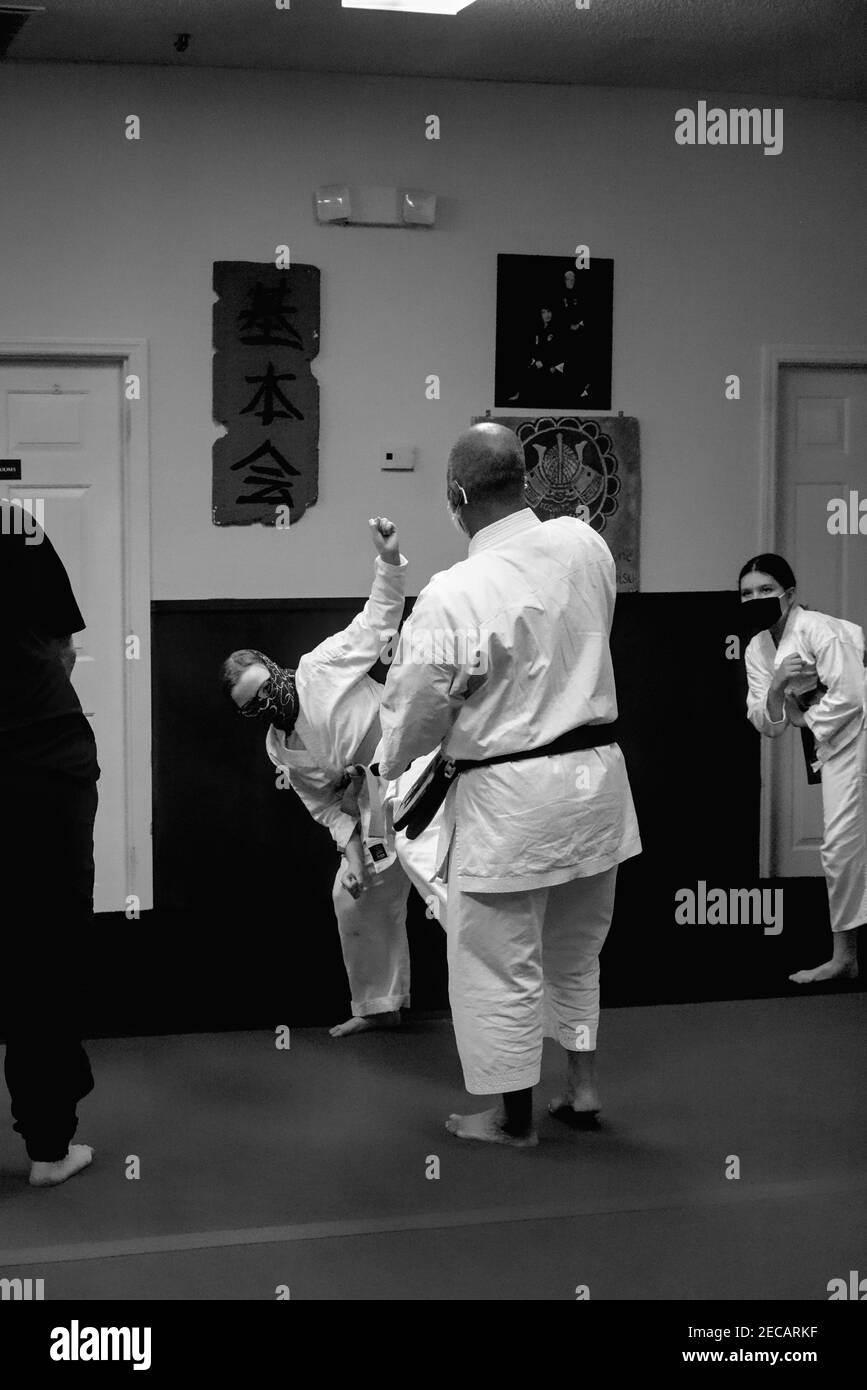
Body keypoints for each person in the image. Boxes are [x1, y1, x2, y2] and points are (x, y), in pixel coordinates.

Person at [377, 424, 642, 1146]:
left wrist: (389, 759)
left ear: (457, 497)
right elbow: (588, 632)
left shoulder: (450, 593)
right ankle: (581, 1089)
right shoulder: (583, 543)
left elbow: (414, 715)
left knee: (498, 962)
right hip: (597, 787)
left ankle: (510, 1119)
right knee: (575, 949)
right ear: (523, 479)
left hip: (512, 800)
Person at [221, 516, 446, 1038]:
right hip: (368, 808)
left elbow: (378, 620)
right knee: (354, 894)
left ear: (276, 668)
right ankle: (379, 1006)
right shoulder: (280, 749)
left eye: (265, 686)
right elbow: (325, 807)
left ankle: (495, 1004)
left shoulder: (320, 665)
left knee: (448, 885)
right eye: (253, 704)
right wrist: (352, 858)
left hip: (413, 770)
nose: (266, 701)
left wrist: (388, 560)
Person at [0, 503, 98, 1186]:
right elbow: (63, 646)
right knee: (43, 949)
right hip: (41, 764)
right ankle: (48, 1147)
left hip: (42, 764)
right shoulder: (14, 524)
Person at [739, 553, 866, 984]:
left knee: (842, 843)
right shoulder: (758, 648)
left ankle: (844, 955)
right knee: (843, 845)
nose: (755, 598)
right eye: (747, 593)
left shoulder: (818, 628)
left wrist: (803, 718)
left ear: (789, 595)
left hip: (859, 728)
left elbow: (851, 694)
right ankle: (845, 955)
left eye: (765, 590)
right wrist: (778, 687)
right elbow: (765, 721)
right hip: (835, 740)